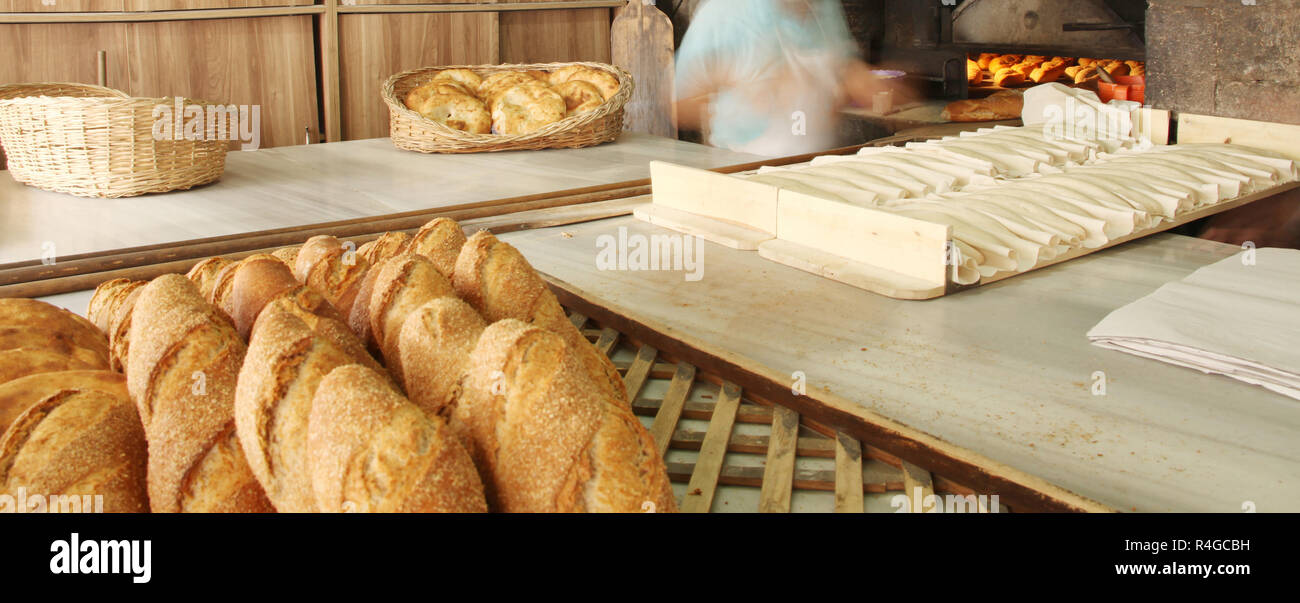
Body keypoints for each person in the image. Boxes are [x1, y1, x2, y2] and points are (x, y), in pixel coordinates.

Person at [673, 0, 887, 157]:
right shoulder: (725, 13)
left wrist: (860, 82)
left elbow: (843, 67)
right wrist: (742, 99)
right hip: (745, 167)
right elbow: (677, 106)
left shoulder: (825, 7)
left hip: (816, 165)